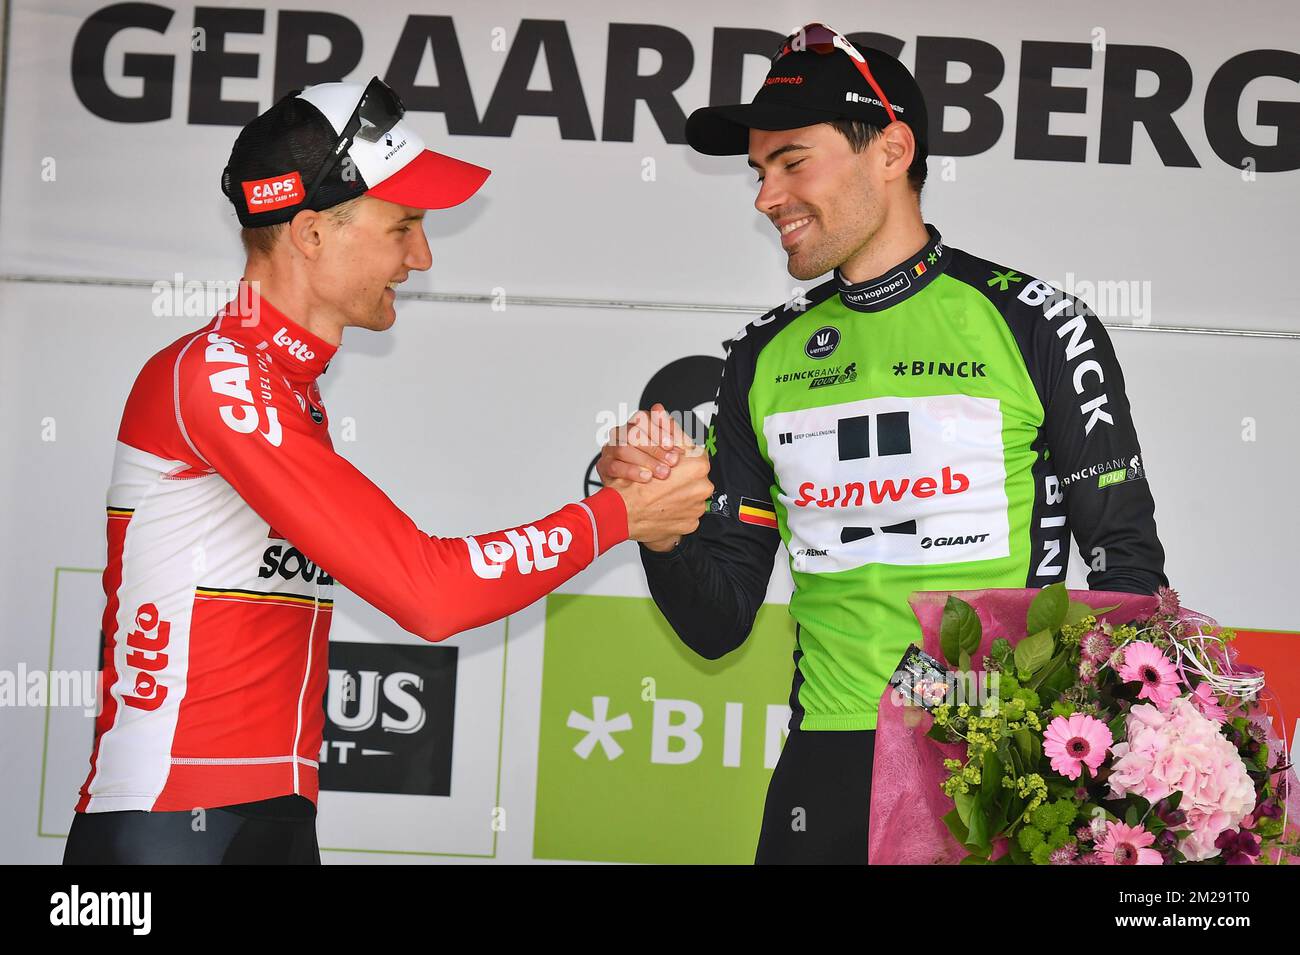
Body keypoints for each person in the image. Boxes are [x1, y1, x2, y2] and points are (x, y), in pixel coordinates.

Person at [64, 77, 712, 865]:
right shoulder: (217, 375)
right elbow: (429, 592)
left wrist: (617, 503)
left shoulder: (282, 390)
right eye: (402, 225)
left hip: (269, 815)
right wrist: (618, 515)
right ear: (308, 232)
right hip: (169, 819)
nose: (422, 255)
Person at [598, 24, 1168, 864]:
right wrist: (656, 527)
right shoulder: (760, 356)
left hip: (994, 763)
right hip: (824, 770)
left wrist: (1101, 780)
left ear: (892, 149)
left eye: (793, 161)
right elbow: (719, 621)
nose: (766, 196)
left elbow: (1126, 575)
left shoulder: (1036, 322)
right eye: (759, 172)